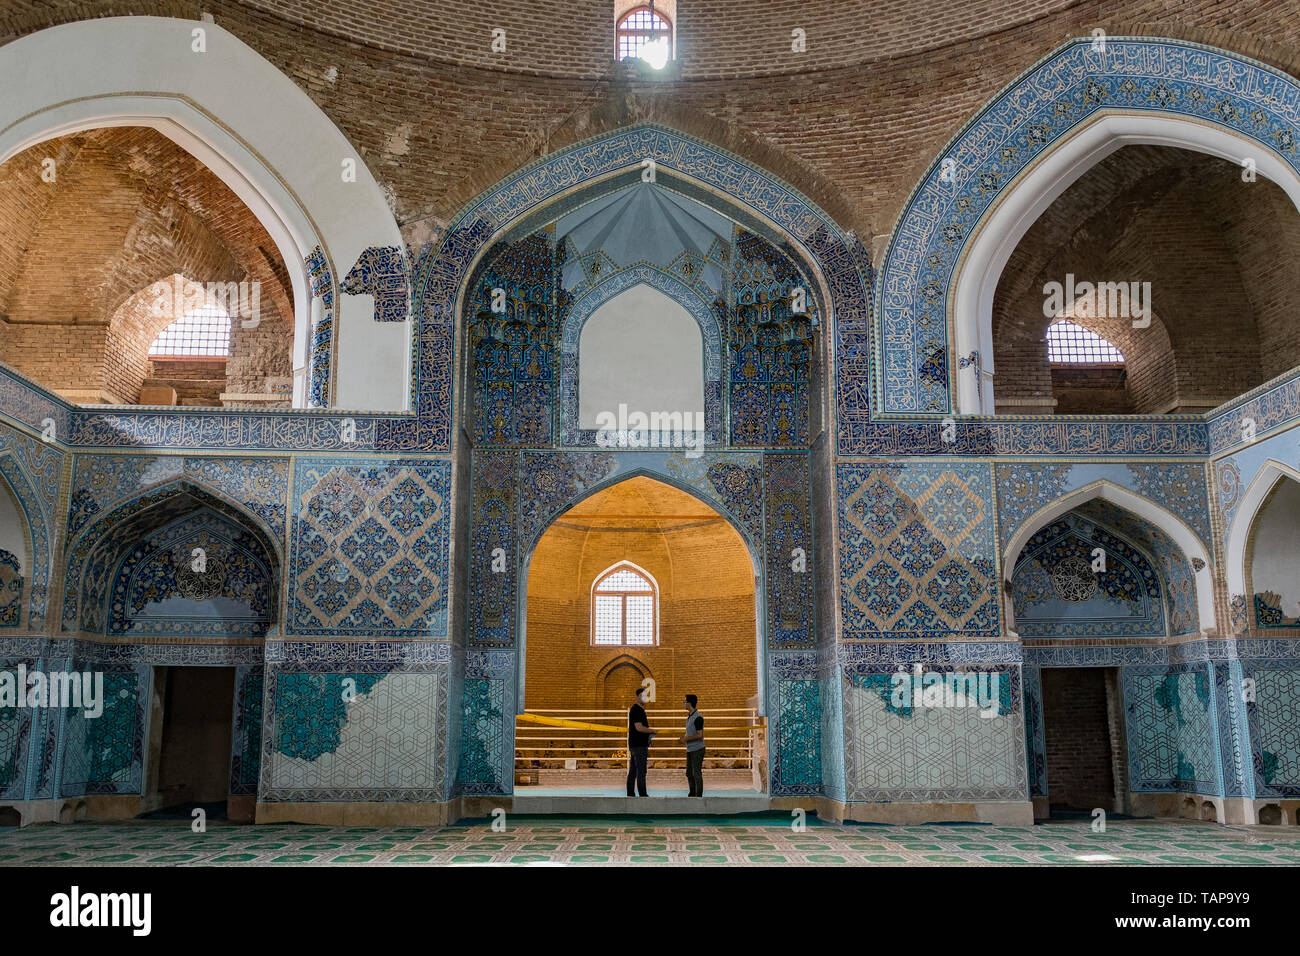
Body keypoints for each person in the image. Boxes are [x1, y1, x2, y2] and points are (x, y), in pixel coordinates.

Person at [626, 687, 656, 797]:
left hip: (635, 745)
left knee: (633, 771)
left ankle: (630, 793)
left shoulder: (638, 710)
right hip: (638, 746)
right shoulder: (637, 710)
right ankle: (643, 795)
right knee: (641, 772)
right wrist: (652, 730)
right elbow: (639, 727)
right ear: (638, 696)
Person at [679, 693, 705, 797]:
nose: (683, 703)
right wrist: (685, 739)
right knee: (689, 773)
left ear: (689, 703)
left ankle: (698, 796)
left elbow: (699, 735)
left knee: (696, 773)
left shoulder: (698, 717)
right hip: (690, 749)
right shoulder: (690, 717)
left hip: (697, 749)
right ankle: (692, 793)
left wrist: (685, 739)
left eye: (684, 701)